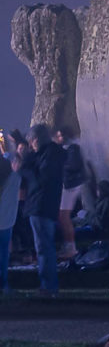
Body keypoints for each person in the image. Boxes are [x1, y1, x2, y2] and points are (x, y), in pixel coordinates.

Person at [22, 125, 64, 296]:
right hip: (44, 206)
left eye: (31, 142)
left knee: (44, 247)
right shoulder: (51, 153)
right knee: (45, 246)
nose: (31, 146)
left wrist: (24, 165)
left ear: (36, 140)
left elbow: (39, 178)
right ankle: (48, 285)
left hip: (41, 206)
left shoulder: (50, 156)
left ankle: (48, 286)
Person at [53, 126, 85, 258]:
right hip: (68, 185)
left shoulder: (72, 148)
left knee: (63, 216)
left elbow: (72, 165)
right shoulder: (68, 148)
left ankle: (70, 247)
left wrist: (58, 165)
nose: (58, 138)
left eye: (60, 135)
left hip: (70, 186)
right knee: (62, 216)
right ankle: (68, 245)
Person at [0, 132, 18, 294]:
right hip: (6, 219)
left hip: (5, 218)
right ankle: (3, 284)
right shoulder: (13, 170)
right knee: (3, 253)